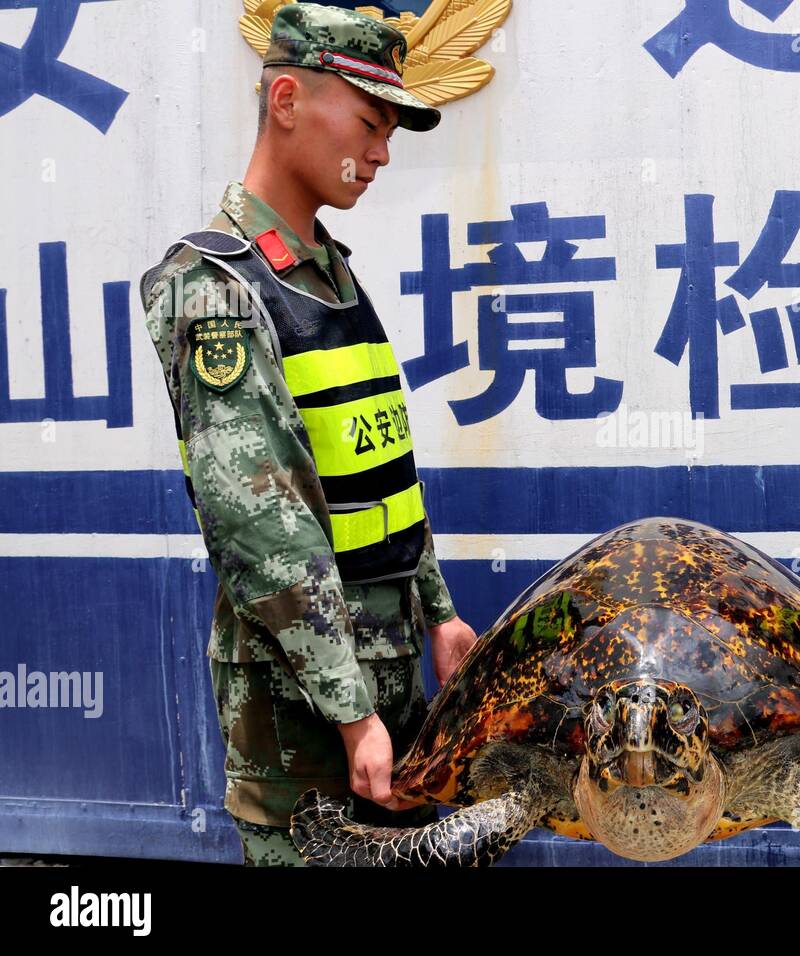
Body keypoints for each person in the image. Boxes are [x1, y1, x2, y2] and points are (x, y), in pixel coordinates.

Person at [138, 3, 477, 866]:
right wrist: (351, 711)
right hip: (304, 720)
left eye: (390, 132)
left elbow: (381, 473)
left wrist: (438, 614)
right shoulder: (213, 287)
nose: (382, 152)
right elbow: (263, 526)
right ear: (286, 101)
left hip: (387, 685)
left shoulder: (330, 275)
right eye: (370, 122)